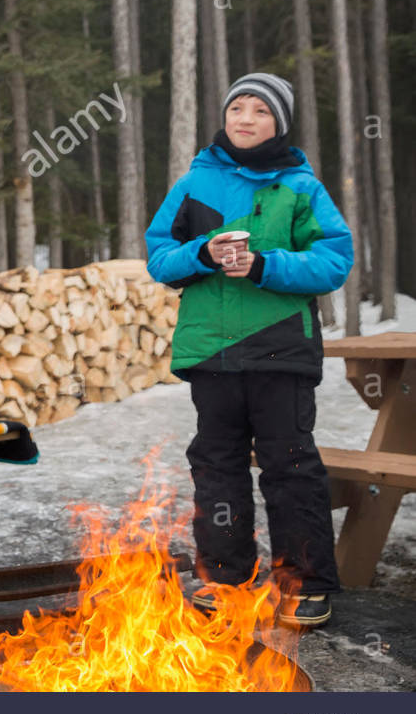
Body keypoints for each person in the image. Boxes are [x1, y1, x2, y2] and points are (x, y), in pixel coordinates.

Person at [145, 72, 353, 627]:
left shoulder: (300, 186)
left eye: (261, 110)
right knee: (217, 467)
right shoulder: (194, 182)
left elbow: (336, 260)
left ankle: (306, 582)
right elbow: (160, 258)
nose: (246, 118)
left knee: (290, 465)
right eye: (239, 107)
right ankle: (226, 579)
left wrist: (265, 265)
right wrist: (203, 253)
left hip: (280, 348)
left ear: (278, 123)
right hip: (210, 352)